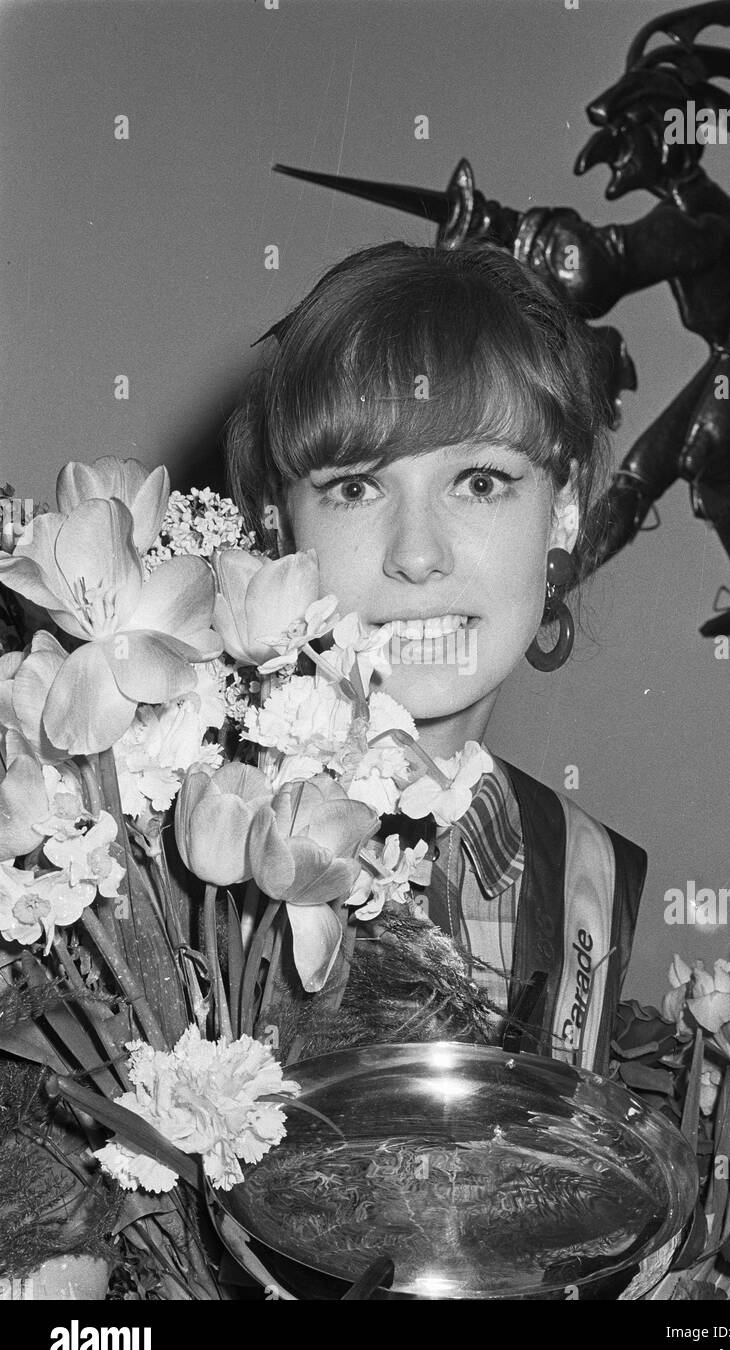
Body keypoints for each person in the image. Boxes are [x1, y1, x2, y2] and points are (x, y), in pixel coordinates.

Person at [225, 239, 648, 1075]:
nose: (416, 555)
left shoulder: (587, 869)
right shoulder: (188, 846)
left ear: (560, 514)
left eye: (480, 482)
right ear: (281, 527)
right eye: (355, 487)